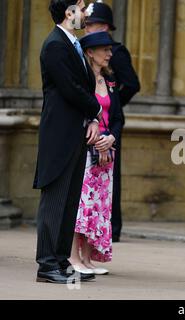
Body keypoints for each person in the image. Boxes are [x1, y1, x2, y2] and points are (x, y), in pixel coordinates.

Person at [34, 0, 101, 284]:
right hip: (59, 136)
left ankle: (61, 261)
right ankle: (47, 264)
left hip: (75, 134)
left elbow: (81, 87)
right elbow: (70, 89)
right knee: (55, 200)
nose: (86, 14)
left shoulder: (72, 43)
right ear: (68, 13)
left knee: (69, 201)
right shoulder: (55, 45)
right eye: (82, 8)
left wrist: (94, 120)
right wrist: (96, 110)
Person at [68, 31, 125, 276]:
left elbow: (119, 118)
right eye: (105, 50)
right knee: (82, 206)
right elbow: (77, 114)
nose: (110, 54)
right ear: (90, 52)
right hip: (85, 151)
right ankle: (72, 257)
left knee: (100, 207)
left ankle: (88, 258)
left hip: (106, 153)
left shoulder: (110, 82)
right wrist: (97, 141)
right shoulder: (81, 82)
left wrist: (111, 136)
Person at [85, 1, 141, 243]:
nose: (87, 29)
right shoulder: (83, 52)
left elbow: (131, 84)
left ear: (105, 27)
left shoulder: (115, 53)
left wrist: (113, 104)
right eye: (85, 25)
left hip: (109, 125)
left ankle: (112, 227)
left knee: (109, 176)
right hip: (89, 126)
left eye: (92, 25)